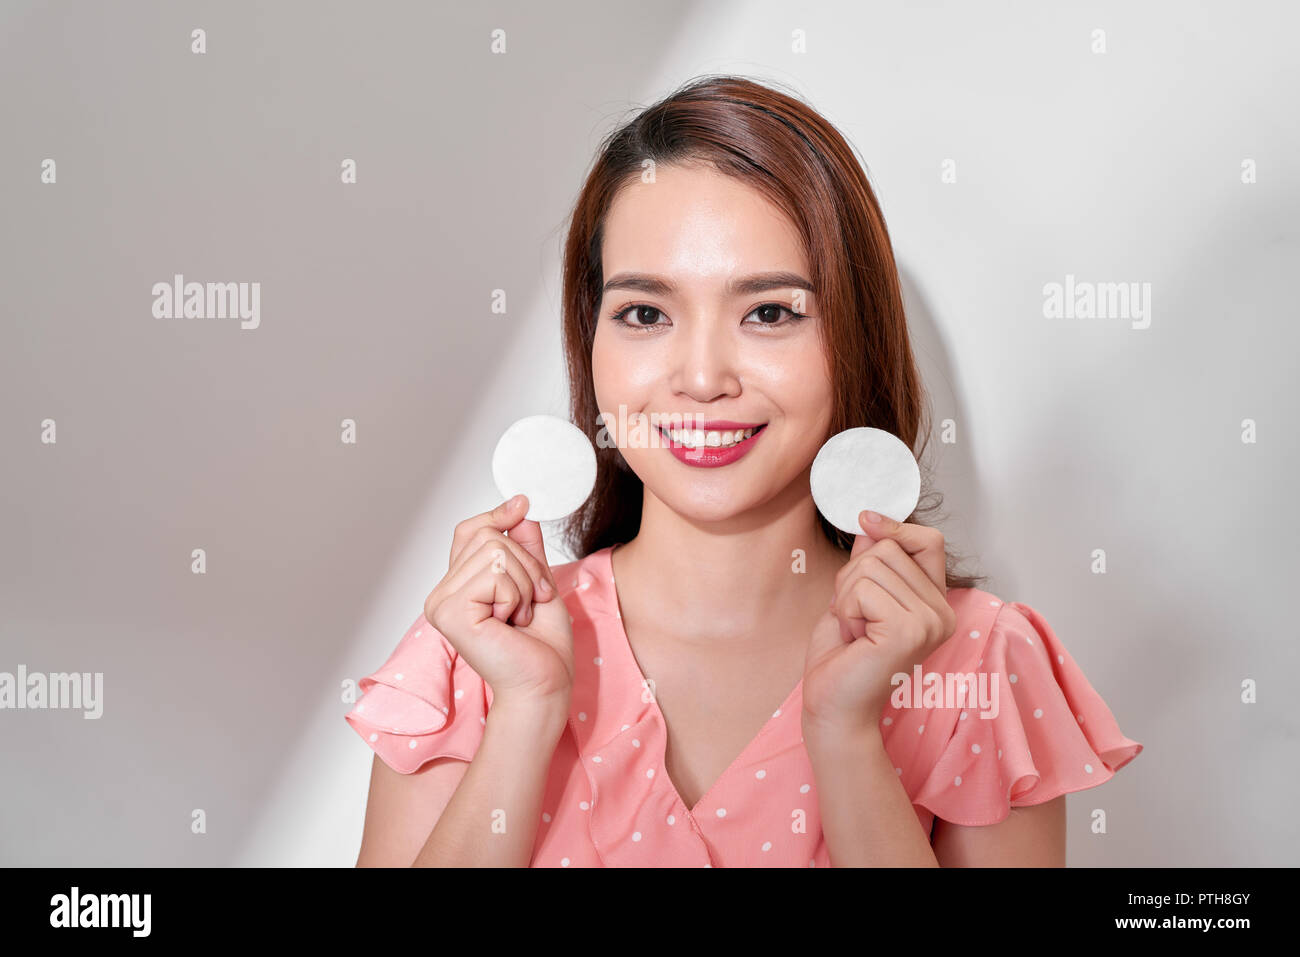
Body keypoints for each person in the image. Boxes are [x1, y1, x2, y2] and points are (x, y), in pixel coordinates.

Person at [346, 75, 1142, 867]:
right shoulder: (477, 650)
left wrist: (846, 738)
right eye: (645, 313)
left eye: (769, 312)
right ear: (591, 340)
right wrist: (524, 713)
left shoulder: (979, 662)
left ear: (854, 338)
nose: (700, 376)